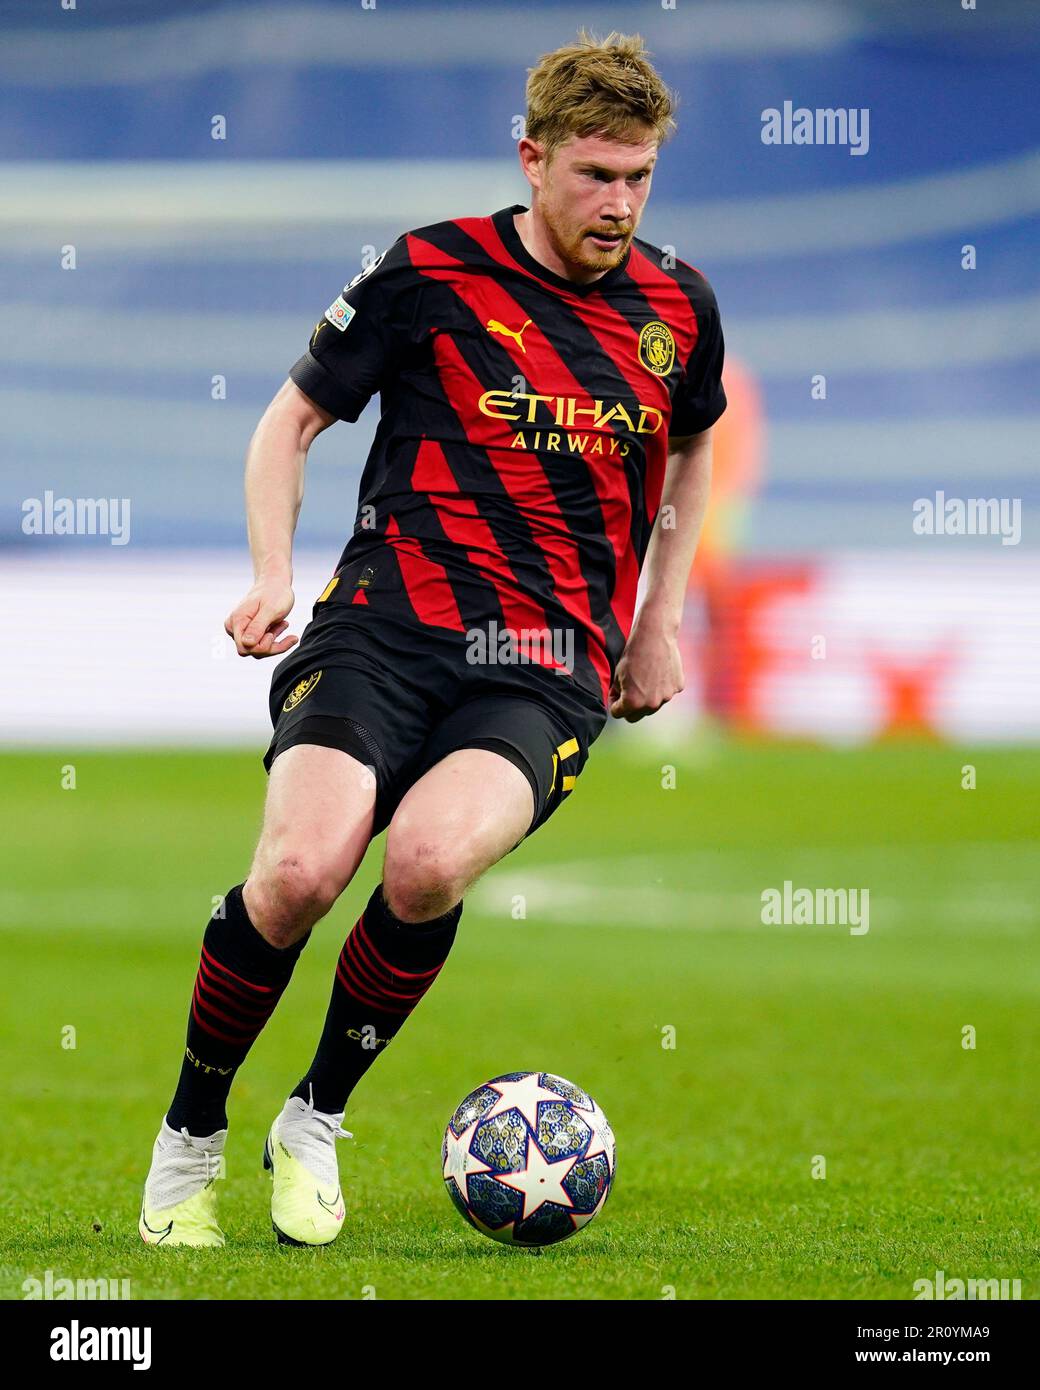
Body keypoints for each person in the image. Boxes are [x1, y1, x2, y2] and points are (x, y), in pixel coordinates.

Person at [140, 29, 726, 1248]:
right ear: (532, 159)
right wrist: (268, 576)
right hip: (384, 629)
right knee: (299, 873)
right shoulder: (427, 274)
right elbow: (288, 421)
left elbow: (692, 442)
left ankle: (314, 1117)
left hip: (548, 662)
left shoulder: (678, 306)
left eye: (639, 177)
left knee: (423, 864)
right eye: (593, 175)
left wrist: (659, 617)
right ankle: (191, 1135)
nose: (617, 204)